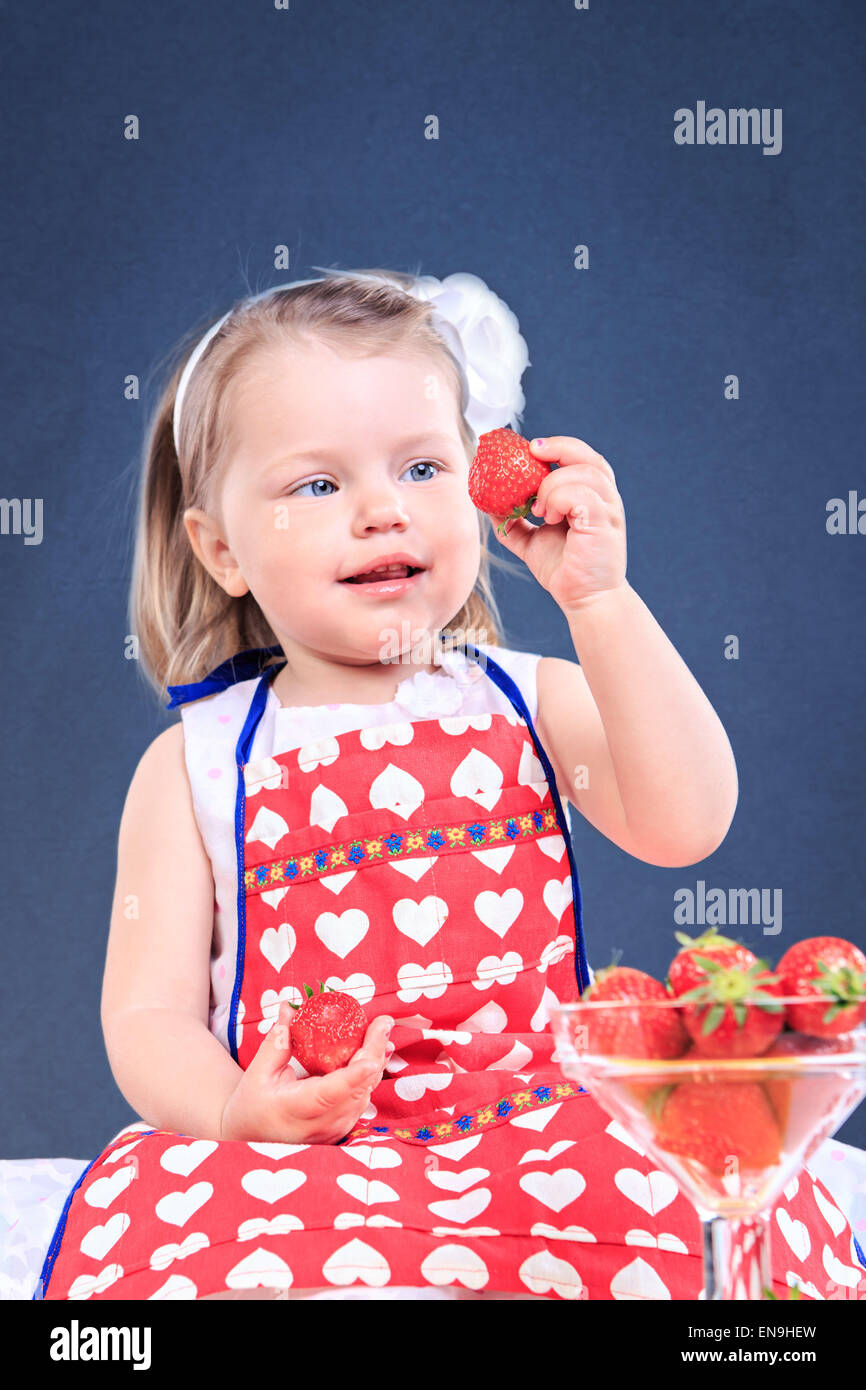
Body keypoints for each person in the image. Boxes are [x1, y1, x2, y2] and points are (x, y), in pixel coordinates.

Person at [37, 268, 865, 1301]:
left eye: (423, 466)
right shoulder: (197, 761)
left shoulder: (528, 701)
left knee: (690, 1206)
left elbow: (686, 822)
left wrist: (597, 602)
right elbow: (148, 1017)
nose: (384, 510)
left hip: (536, 1129)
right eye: (318, 485)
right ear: (220, 549)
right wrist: (236, 1114)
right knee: (221, 1242)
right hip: (314, 1154)